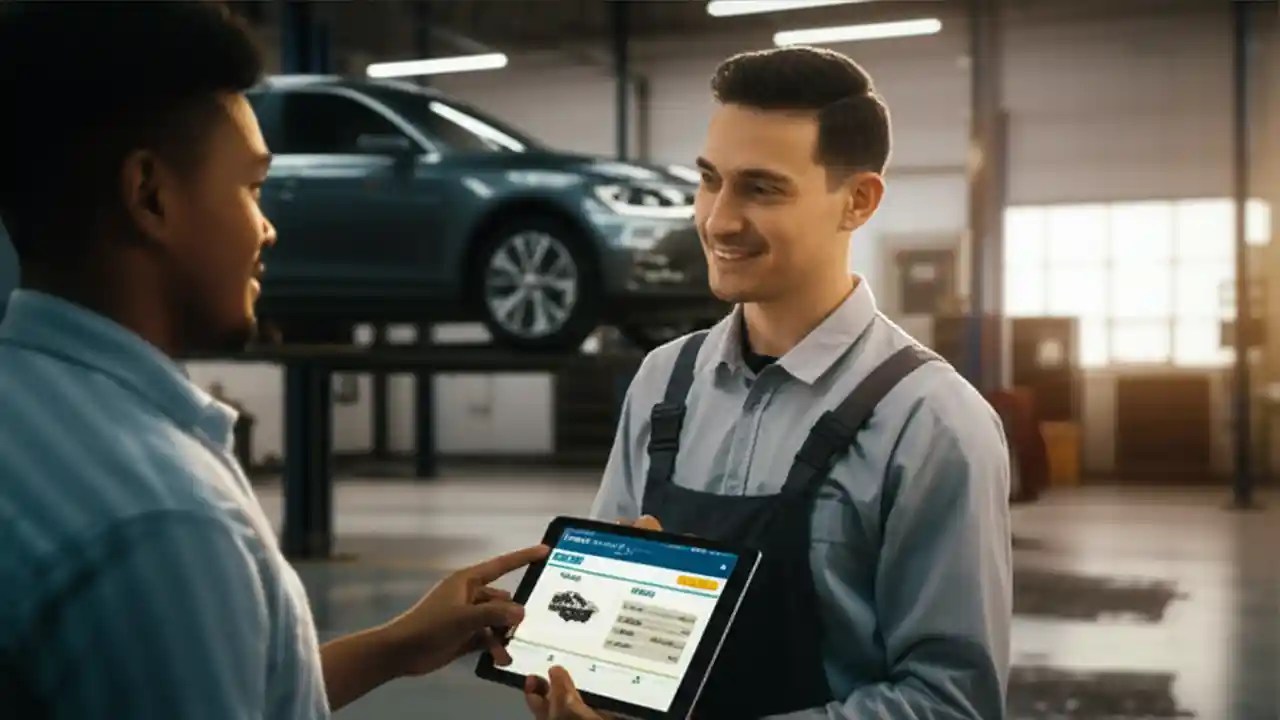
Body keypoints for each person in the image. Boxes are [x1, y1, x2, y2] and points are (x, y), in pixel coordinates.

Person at [0, 4, 545, 717]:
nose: (268, 227)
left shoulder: (28, 409)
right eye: (252, 187)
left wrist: (394, 646)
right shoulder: (165, 523)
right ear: (150, 195)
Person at [524, 47, 1012, 720]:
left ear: (858, 201)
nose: (718, 219)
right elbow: (607, 632)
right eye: (708, 180)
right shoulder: (664, 383)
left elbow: (952, 703)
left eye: (761, 188)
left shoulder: (930, 422)